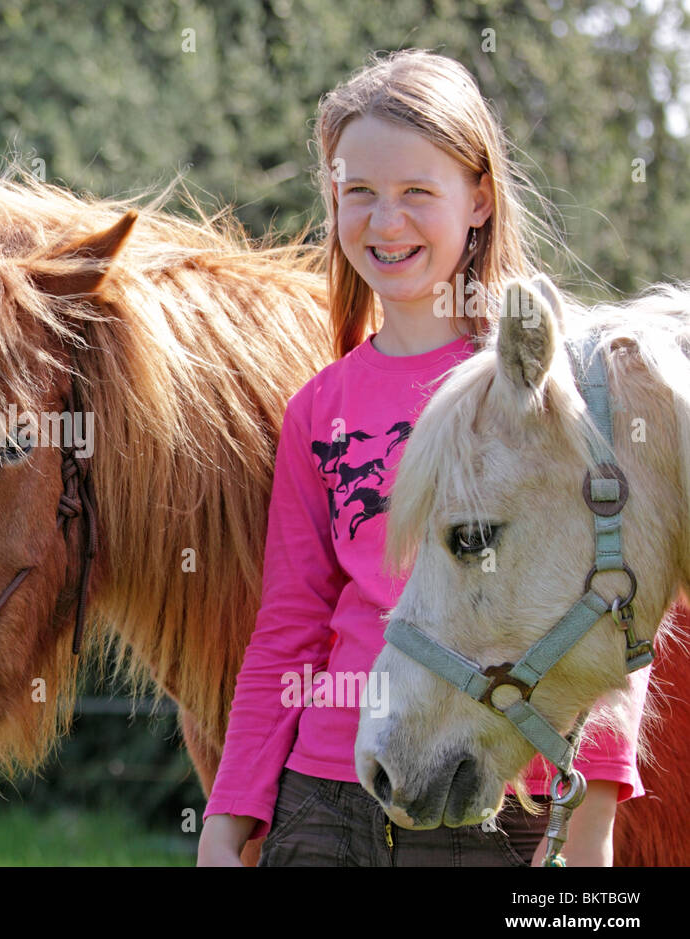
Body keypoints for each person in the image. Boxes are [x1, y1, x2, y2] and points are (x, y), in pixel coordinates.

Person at [197, 50, 648, 866]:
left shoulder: (552, 393)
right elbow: (289, 631)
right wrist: (228, 820)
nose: (385, 220)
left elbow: (616, 604)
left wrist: (588, 830)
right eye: (358, 192)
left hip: (498, 795)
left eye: (416, 192)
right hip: (329, 794)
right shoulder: (319, 412)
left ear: (478, 200)